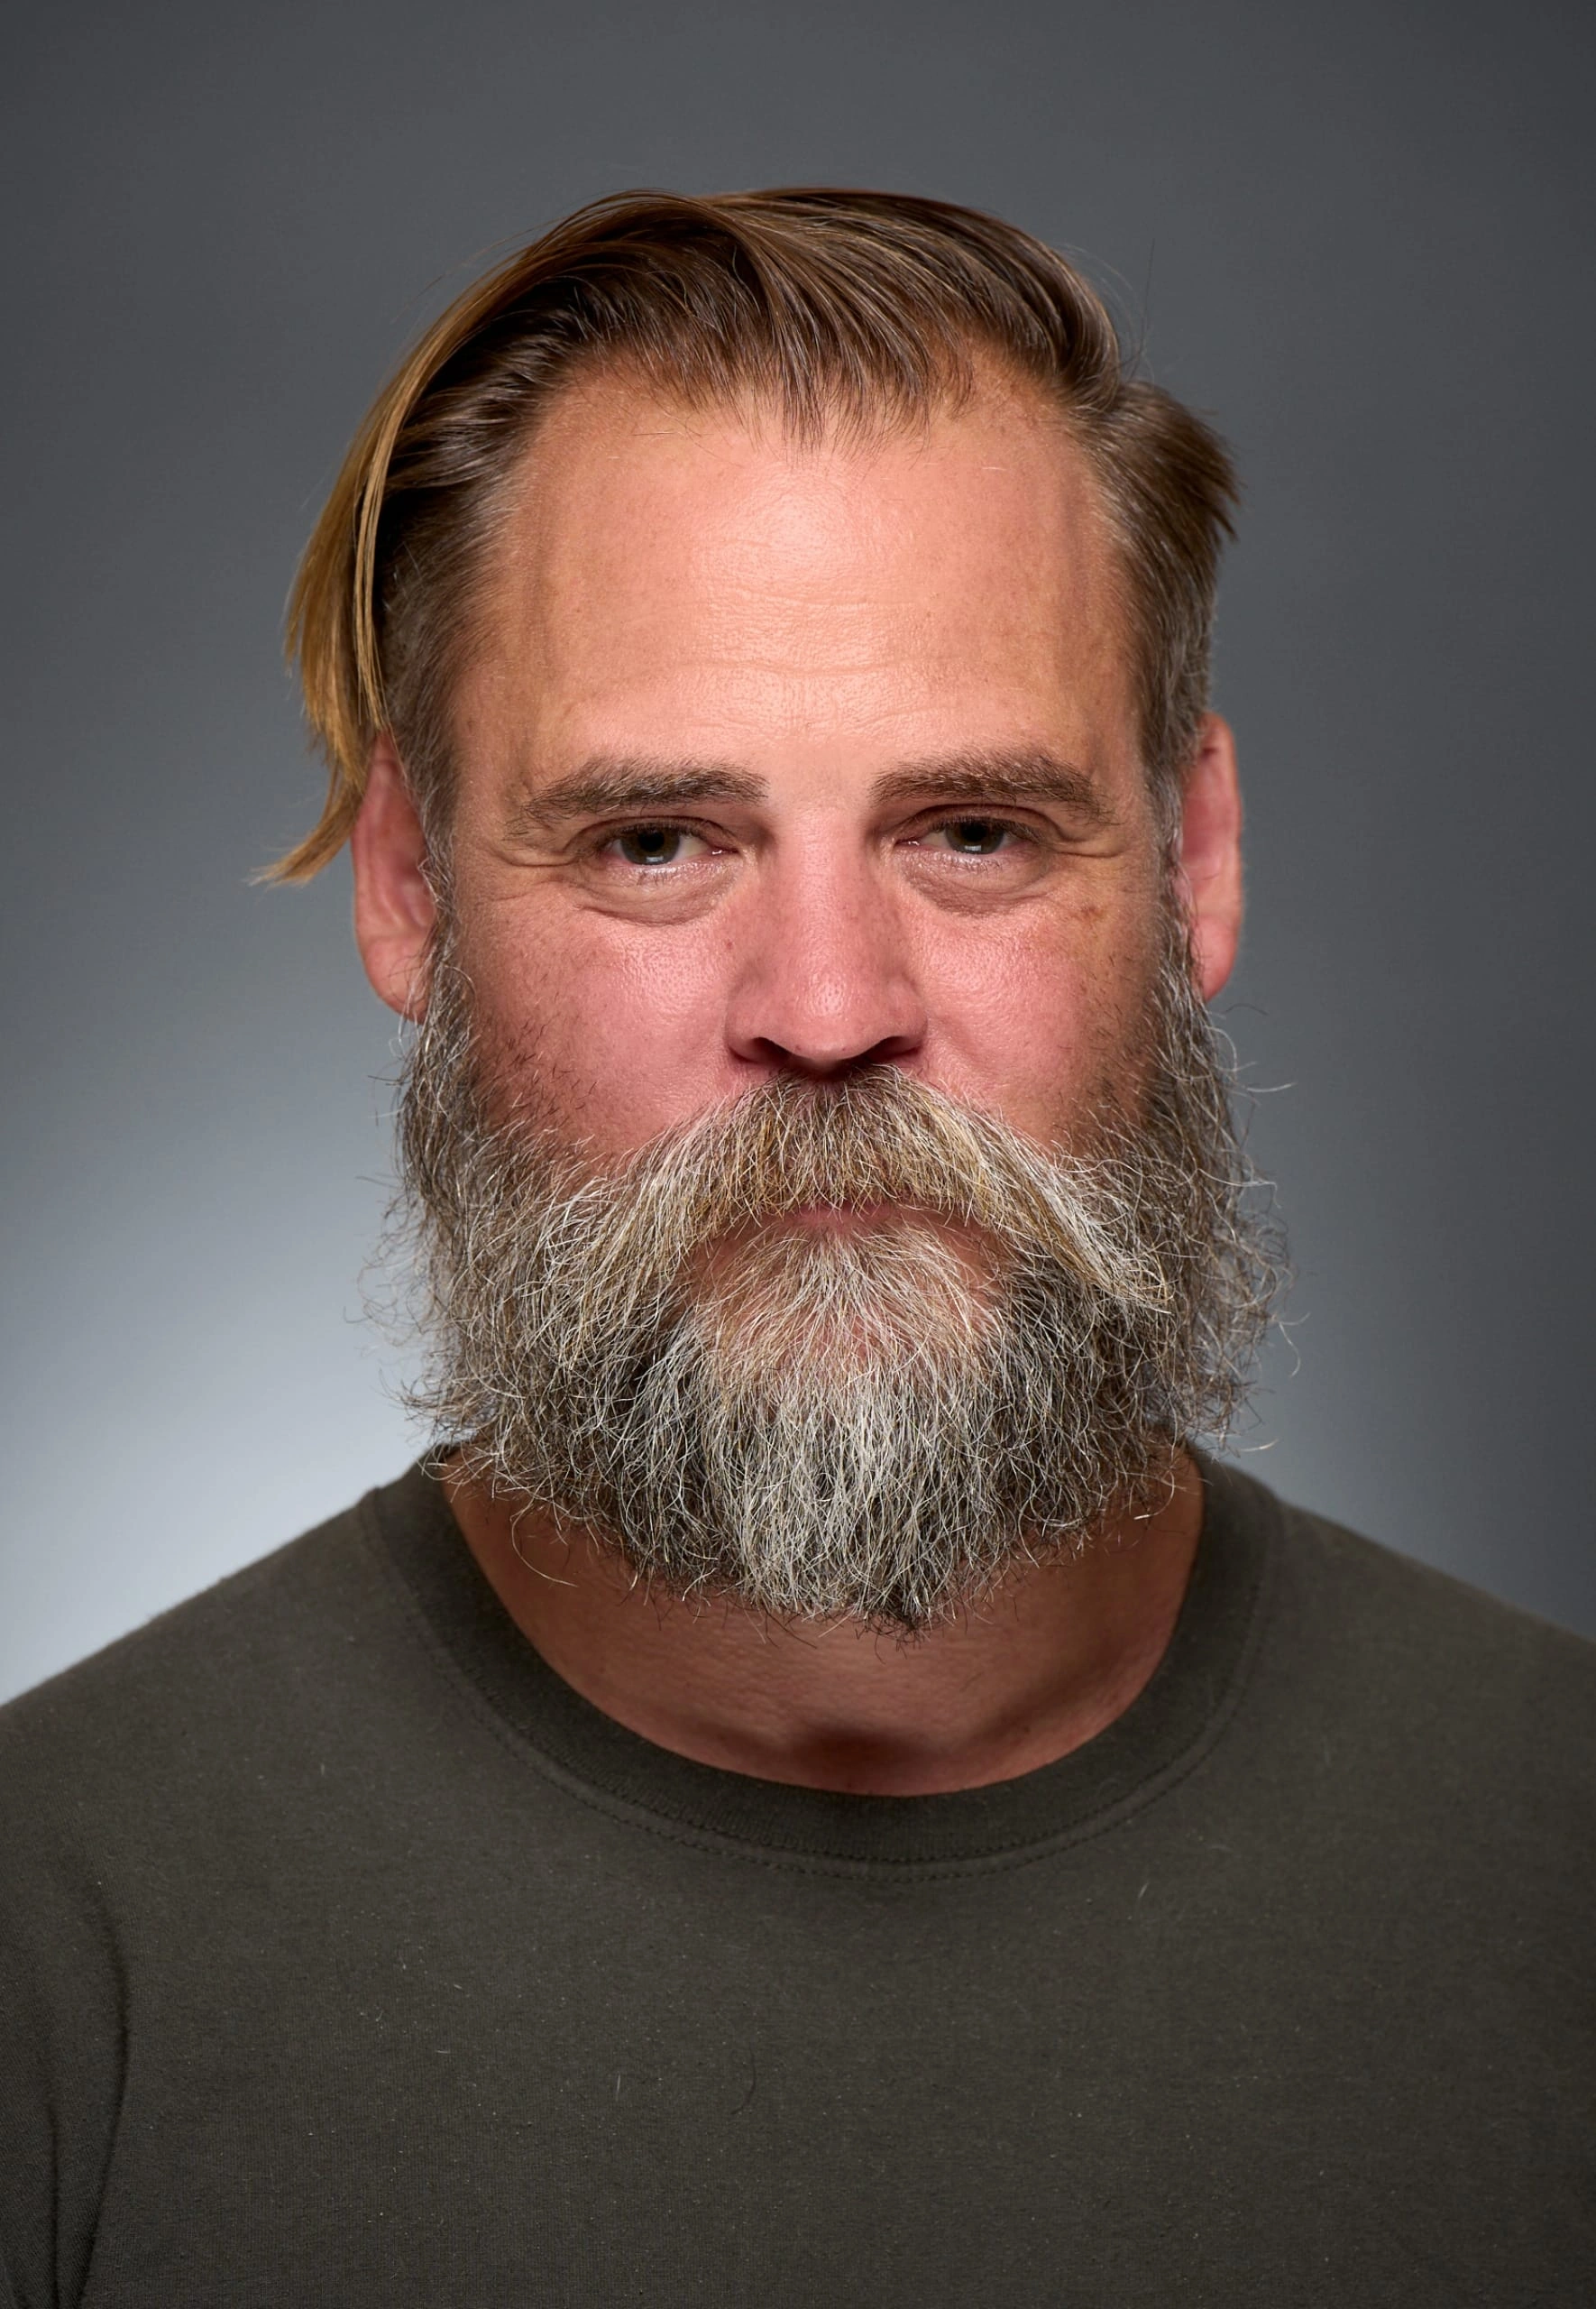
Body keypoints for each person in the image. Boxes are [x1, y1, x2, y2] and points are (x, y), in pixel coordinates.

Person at [1, 188, 1591, 2307]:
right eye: (658, 840)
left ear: (1194, 859)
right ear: (409, 892)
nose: (829, 1007)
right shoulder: (49, 1944)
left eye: (975, 831)